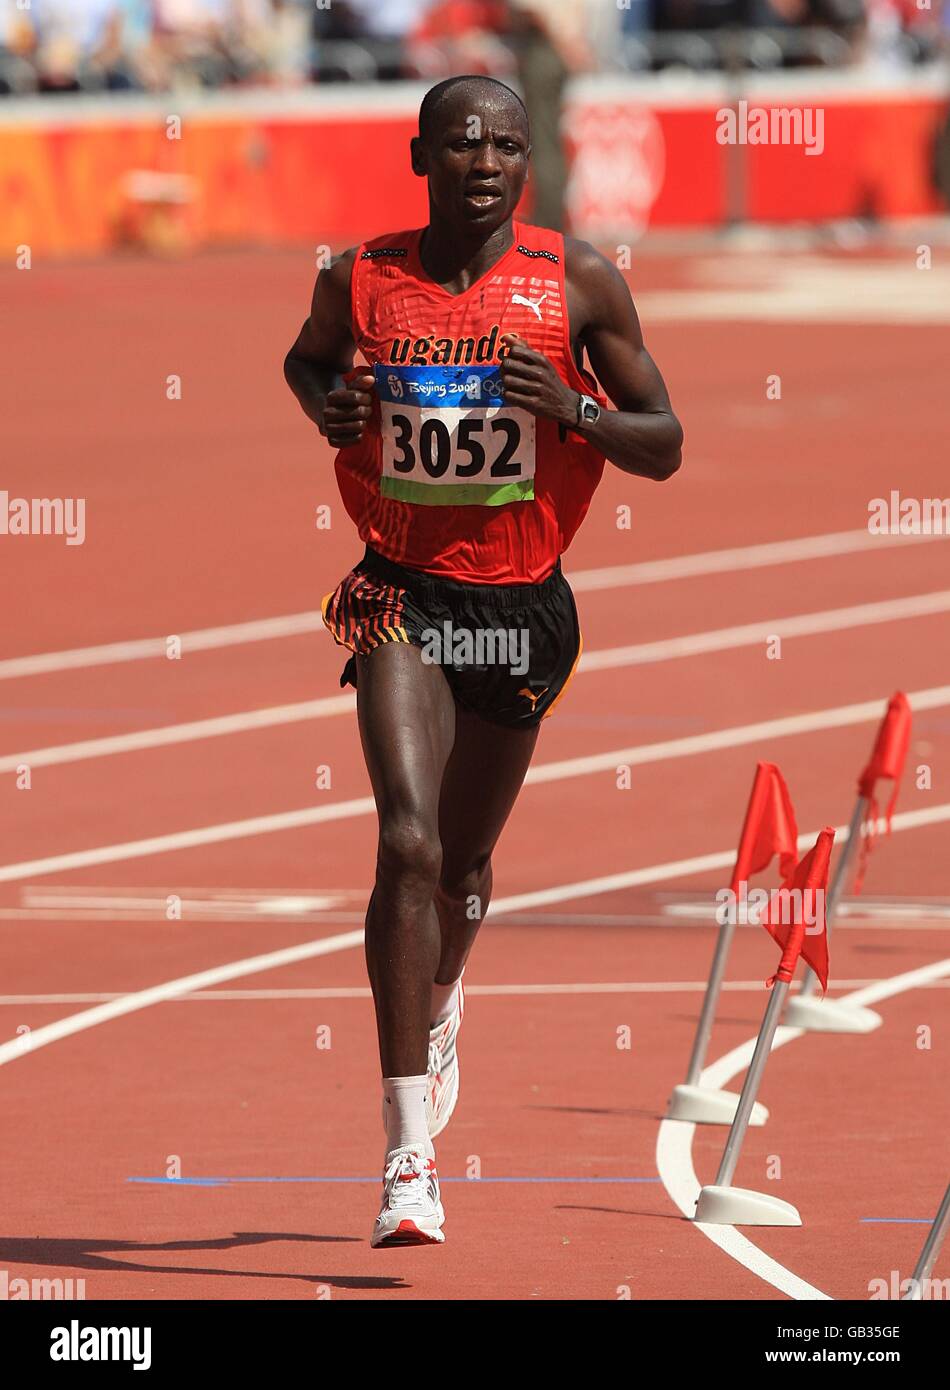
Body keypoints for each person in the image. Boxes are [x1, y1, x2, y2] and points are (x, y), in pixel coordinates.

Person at [284, 74, 682, 1247]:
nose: (482, 159)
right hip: (398, 591)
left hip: (518, 608)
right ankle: (409, 1154)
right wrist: (333, 407)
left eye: (504, 143)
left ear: (528, 161)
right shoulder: (357, 278)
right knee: (404, 840)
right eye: (458, 141)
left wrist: (573, 406)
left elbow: (663, 442)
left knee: (461, 858)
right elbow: (307, 364)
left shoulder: (578, 282)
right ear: (419, 157)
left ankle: (443, 991)